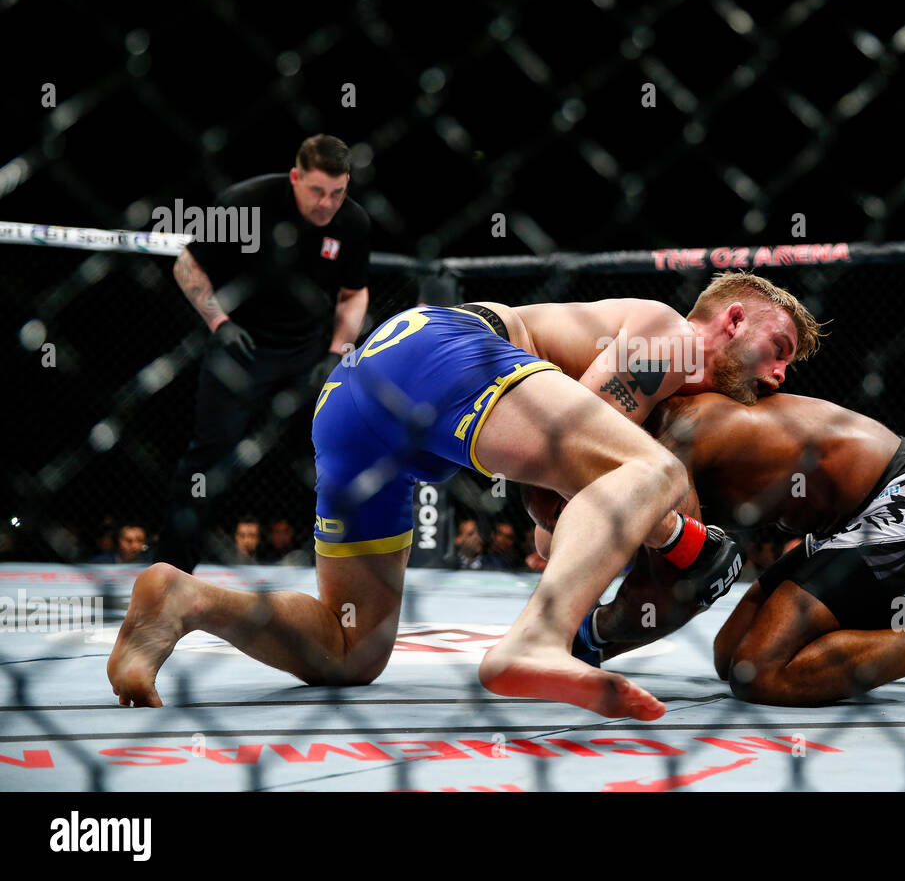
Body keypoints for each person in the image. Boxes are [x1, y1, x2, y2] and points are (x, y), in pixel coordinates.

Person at [109, 271, 822, 721]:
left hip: (359, 398)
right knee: (657, 473)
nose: (783, 372)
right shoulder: (675, 339)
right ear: (732, 319)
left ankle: (183, 600)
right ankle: (538, 642)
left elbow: (554, 485)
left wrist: (599, 532)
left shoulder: (666, 382)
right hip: (447, 352)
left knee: (352, 648)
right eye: (780, 344)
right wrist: (679, 538)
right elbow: (571, 426)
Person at [531, 391, 905, 711]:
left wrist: (580, 638)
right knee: (730, 655)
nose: (776, 377)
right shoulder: (669, 429)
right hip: (863, 525)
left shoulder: (679, 434)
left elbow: (673, 592)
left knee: (758, 673)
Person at [157, 135, 371, 573]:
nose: (326, 203)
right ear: (295, 177)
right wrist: (219, 322)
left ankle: (345, 569)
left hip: (311, 353)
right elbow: (186, 264)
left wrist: (337, 350)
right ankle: (173, 571)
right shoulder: (246, 202)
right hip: (242, 346)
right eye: (316, 190)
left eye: (337, 192)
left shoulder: (353, 222)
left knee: (344, 450)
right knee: (207, 458)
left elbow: (353, 294)